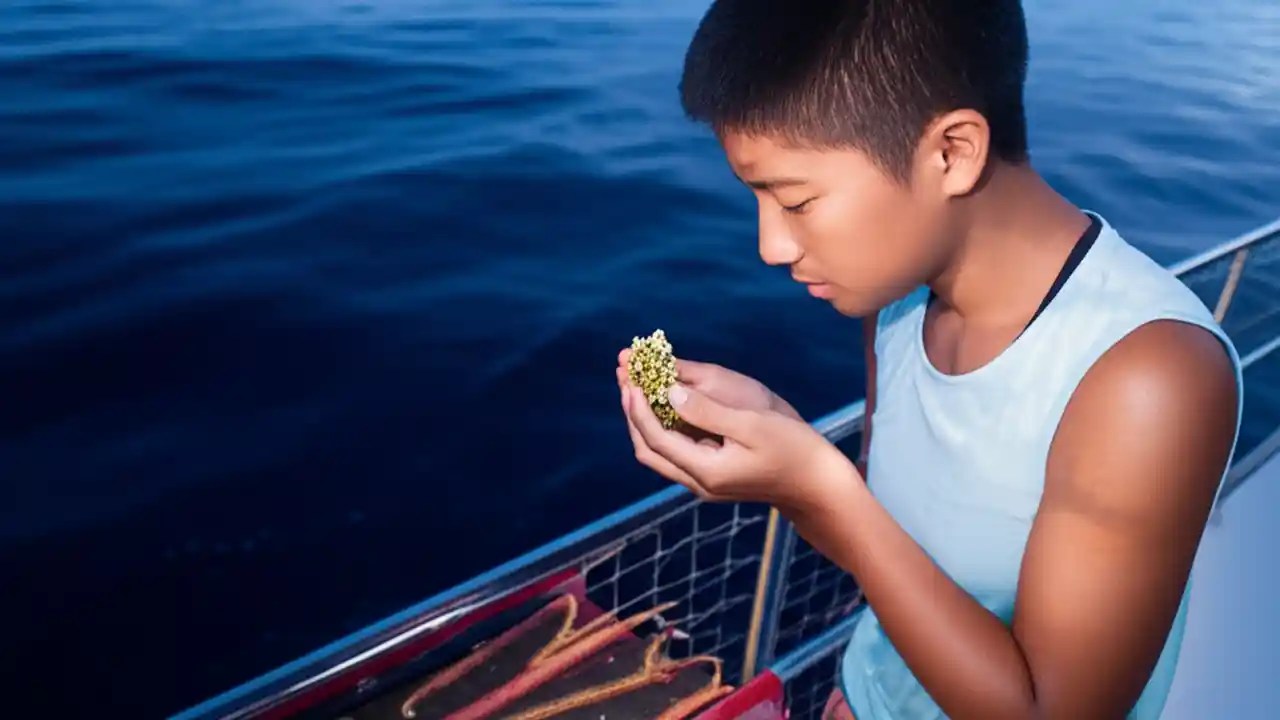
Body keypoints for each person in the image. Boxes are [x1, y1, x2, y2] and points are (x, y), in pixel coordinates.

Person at [613, 1, 1244, 718]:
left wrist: (823, 488)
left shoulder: (1152, 378)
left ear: (953, 152)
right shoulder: (896, 305)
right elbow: (888, 551)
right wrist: (788, 464)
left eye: (795, 199)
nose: (771, 246)